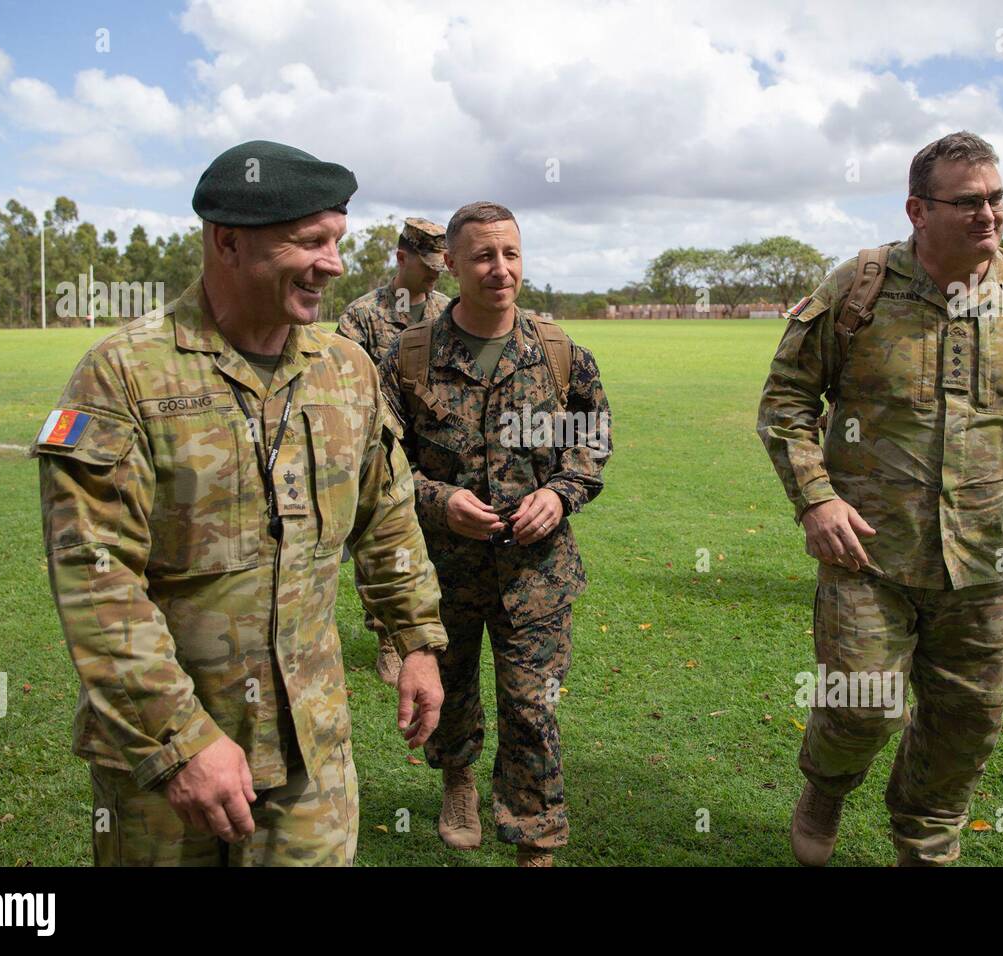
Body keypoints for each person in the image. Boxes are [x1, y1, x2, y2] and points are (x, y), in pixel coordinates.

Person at [33, 139, 447, 866]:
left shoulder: (345, 369)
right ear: (228, 241)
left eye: (338, 242)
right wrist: (181, 738)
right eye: (311, 242)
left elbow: (388, 514)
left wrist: (415, 642)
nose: (334, 264)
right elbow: (98, 581)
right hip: (166, 769)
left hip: (310, 747)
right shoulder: (124, 376)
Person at [757, 130, 1003, 867]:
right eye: (968, 202)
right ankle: (826, 788)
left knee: (967, 720)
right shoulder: (859, 288)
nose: (988, 216)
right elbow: (788, 401)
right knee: (863, 703)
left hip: (980, 563)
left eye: (997, 199)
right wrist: (817, 500)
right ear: (918, 209)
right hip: (868, 551)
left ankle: (927, 840)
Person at [378, 201, 611, 866]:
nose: (500, 268)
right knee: (446, 696)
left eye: (510, 254)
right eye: (483, 255)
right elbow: (379, 464)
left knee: (533, 710)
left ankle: (535, 839)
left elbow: (591, 440)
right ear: (450, 263)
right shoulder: (409, 357)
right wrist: (436, 499)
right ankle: (457, 779)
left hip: (537, 576)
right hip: (440, 576)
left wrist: (559, 495)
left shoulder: (559, 353)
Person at [337, 218, 450, 686]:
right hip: (386, 449)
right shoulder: (362, 316)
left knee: (436, 545)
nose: (435, 274)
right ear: (401, 257)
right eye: (427, 265)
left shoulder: (449, 311)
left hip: (440, 451)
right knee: (382, 543)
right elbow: (346, 386)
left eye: (441, 266)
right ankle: (388, 637)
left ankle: (431, 634)